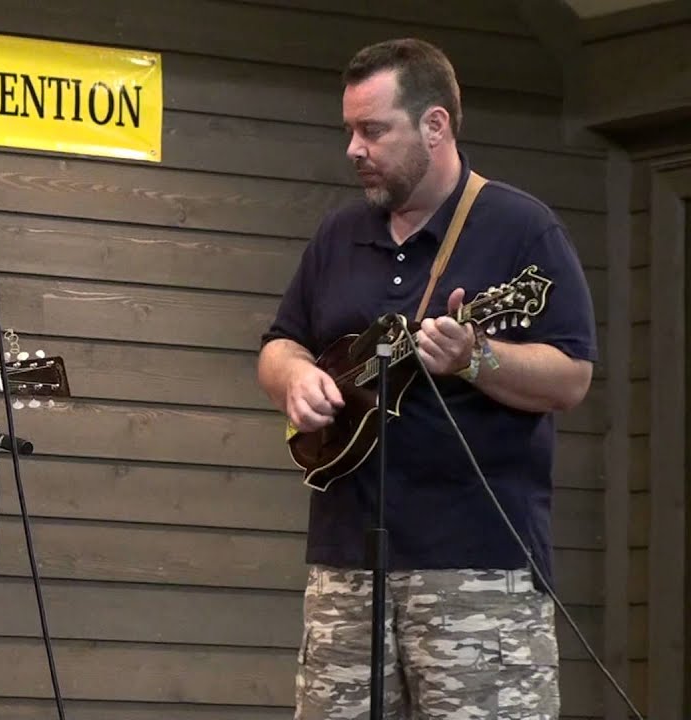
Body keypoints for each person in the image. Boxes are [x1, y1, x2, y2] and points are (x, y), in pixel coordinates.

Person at [256, 39, 596, 719]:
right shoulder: (339, 234)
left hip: (479, 571)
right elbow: (278, 343)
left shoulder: (523, 229)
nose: (354, 148)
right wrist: (293, 377)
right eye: (349, 130)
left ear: (435, 125)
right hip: (346, 563)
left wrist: (477, 358)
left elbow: (571, 376)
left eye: (373, 130)